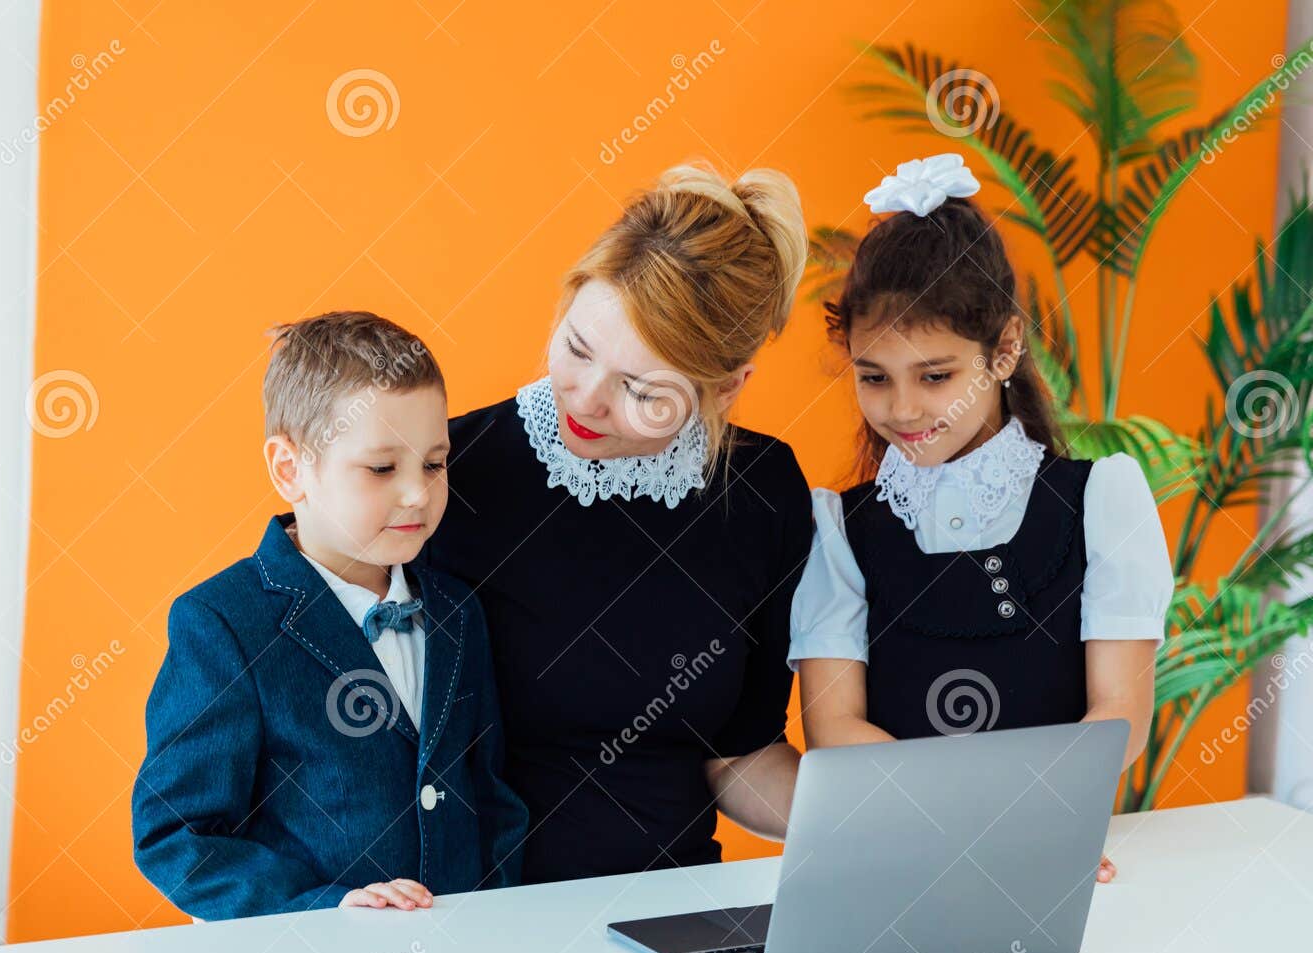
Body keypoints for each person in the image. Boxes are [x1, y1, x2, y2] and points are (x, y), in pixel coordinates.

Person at [788, 154, 1175, 883]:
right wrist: (975, 826)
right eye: (874, 378)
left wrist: (1028, 825)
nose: (902, 409)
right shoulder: (840, 529)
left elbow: (1118, 713)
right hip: (895, 863)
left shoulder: (1103, 498)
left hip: (1051, 859)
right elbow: (834, 731)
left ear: (1004, 350)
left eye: (936, 377)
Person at [425, 161, 814, 882]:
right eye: (577, 348)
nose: (588, 400)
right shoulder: (446, 473)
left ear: (726, 389)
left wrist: (908, 836)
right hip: (472, 916)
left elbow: (740, 756)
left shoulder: (763, 493)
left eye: (640, 388)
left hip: (670, 908)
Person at [132, 311, 527, 918]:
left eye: (434, 462)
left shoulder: (458, 610)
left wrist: (502, 919)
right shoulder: (222, 622)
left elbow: (492, 796)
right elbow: (178, 837)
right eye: (381, 468)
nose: (418, 493)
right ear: (291, 469)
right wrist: (326, 907)